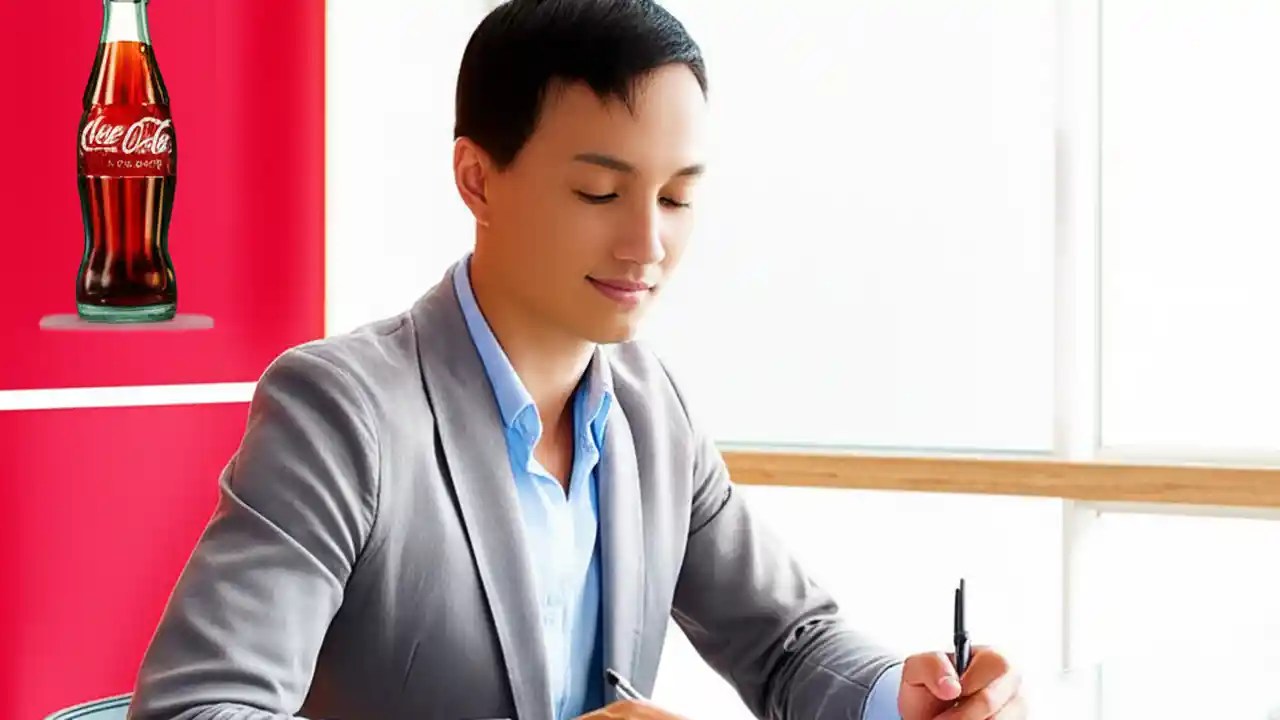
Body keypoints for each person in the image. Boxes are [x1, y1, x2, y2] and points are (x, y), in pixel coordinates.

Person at [127, 1, 1027, 719]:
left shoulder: (648, 406)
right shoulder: (342, 411)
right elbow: (201, 707)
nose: (647, 244)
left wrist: (900, 699)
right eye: (600, 191)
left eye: (676, 197)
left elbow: (788, 644)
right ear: (477, 179)